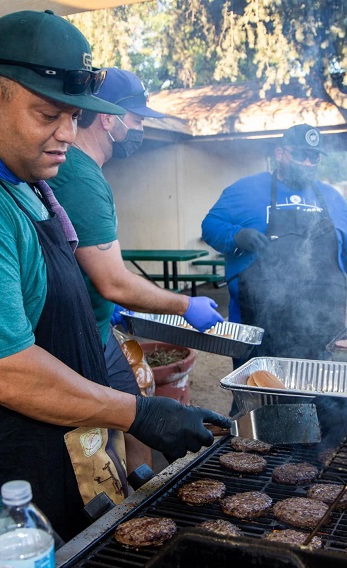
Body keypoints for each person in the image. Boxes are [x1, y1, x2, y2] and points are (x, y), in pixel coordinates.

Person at [0, 10, 229, 566]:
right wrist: (139, 414)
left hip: (26, 449)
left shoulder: (7, 170)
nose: (66, 133)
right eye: (47, 113)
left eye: (74, 116)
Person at [48, 67, 224, 472]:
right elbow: (112, 280)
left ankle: (138, 490)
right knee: (112, 430)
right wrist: (184, 304)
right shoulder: (81, 178)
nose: (141, 126)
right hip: (78, 337)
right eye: (137, 117)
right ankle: (125, 507)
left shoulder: (79, 169)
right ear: (108, 119)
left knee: (135, 414)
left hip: (92, 324)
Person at [202, 124, 347, 362]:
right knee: (257, 394)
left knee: (321, 395)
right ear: (280, 153)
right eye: (300, 154)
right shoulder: (246, 190)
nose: (307, 162)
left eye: (313, 156)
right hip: (256, 324)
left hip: (321, 324)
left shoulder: (333, 199)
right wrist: (236, 235)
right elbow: (210, 226)